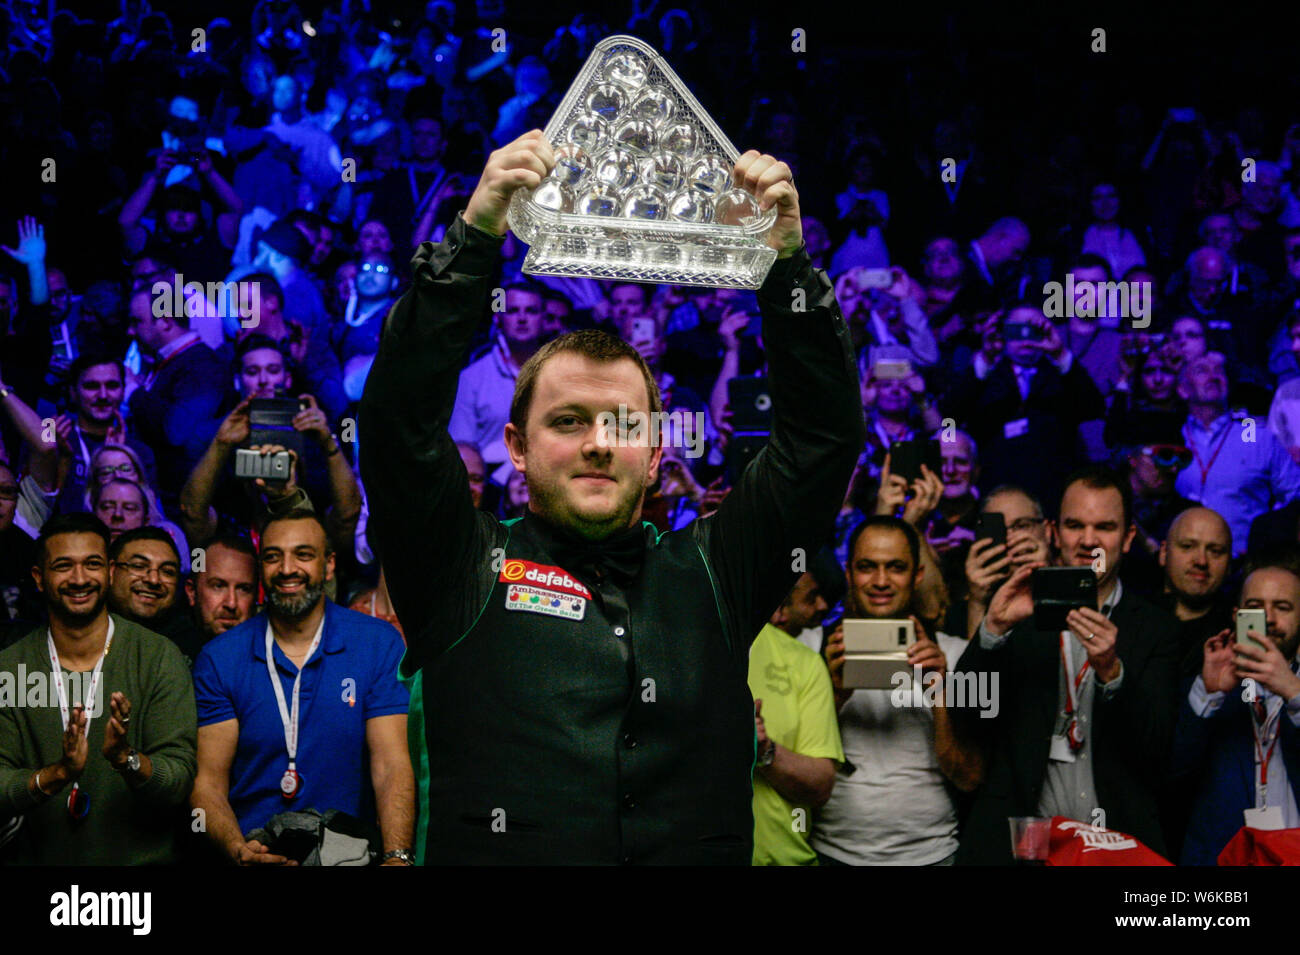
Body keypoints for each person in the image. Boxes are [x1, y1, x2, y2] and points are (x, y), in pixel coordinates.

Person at [359, 131, 864, 864]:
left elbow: (821, 442)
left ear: (657, 453)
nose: (598, 442)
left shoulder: (721, 572)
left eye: (623, 424)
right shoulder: (458, 564)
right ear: (516, 446)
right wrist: (475, 238)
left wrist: (784, 260)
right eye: (567, 421)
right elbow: (398, 425)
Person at [953, 466, 1182, 863]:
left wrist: (1112, 673)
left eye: (1105, 527)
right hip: (1025, 844)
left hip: (1116, 844)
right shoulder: (1019, 610)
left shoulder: (1156, 628)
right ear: (1054, 532)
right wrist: (992, 630)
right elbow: (968, 715)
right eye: (1075, 525)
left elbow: (1158, 751)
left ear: (1128, 538)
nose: (1089, 540)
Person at [190, 513, 413, 865]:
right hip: (256, 849)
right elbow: (208, 780)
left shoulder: (376, 643)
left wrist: (398, 856)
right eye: (273, 556)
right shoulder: (220, 658)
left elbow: (391, 763)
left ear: (328, 566)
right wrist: (238, 850)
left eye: (303, 555)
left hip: (351, 854)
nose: (287, 568)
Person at [0, 514, 196, 864]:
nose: (79, 579)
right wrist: (57, 775)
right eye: (63, 566)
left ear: (109, 572)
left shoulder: (157, 656)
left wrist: (127, 759)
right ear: (39, 578)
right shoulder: (11, 667)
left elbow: (179, 781)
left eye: (91, 564)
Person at [815, 517, 981, 865]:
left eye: (896, 568)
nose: (880, 581)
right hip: (834, 853)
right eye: (866, 567)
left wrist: (940, 692)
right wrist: (833, 694)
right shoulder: (814, 649)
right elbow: (795, 769)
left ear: (917, 575)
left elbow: (969, 777)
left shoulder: (955, 653)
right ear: (849, 573)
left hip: (930, 855)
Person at [1172, 563, 1300, 865]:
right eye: (1255, 607)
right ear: (1236, 615)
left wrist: (1294, 693)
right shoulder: (1208, 681)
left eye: (1282, 607)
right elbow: (1172, 777)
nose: (1268, 619)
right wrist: (1209, 694)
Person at [942, 303, 1105, 504]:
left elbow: (1094, 408)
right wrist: (986, 356)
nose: (1026, 337)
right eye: (1017, 330)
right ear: (1003, 332)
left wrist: (1060, 354)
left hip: (1053, 488)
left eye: (1034, 329)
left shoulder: (1062, 375)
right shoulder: (984, 375)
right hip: (995, 486)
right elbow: (950, 415)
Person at [748, 571, 843, 865]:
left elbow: (820, 785)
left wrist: (763, 749)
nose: (823, 605)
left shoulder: (804, 661)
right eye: (811, 597)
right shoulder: (673, 641)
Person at [1173, 351, 1300, 555]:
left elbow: (1295, 493)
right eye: (1201, 371)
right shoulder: (1171, 438)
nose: (1213, 376)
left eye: (1219, 371)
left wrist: (1271, 537)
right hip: (1183, 563)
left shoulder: (1256, 438)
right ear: (1182, 389)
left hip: (1244, 564)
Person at [124, 287, 226, 503]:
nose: (130, 332)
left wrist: (134, 393)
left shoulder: (202, 365)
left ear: (165, 321)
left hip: (185, 498)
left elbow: (178, 431)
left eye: (137, 322)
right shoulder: (172, 362)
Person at [449, 281, 551, 486]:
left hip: (549, 482)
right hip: (492, 492)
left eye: (530, 311)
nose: (522, 319)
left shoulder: (559, 373)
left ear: (543, 319)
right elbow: (463, 450)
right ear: (498, 318)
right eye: (513, 310)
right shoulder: (472, 378)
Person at [106, 525, 205, 662]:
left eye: (167, 572)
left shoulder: (193, 647)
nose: (153, 580)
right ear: (111, 571)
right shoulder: (82, 632)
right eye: (139, 566)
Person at [1157, 507, 1235, 669]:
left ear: (1229, 564)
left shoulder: (1235, 636)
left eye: (1215, 551)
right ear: (1164, 553)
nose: (1201, 561)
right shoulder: (1130, 618)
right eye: (1187, 546)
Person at [185, 534, 258, 645]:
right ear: (191, 592)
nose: (231, 604)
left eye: (243, 589)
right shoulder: (165, 654)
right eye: (218, 586)